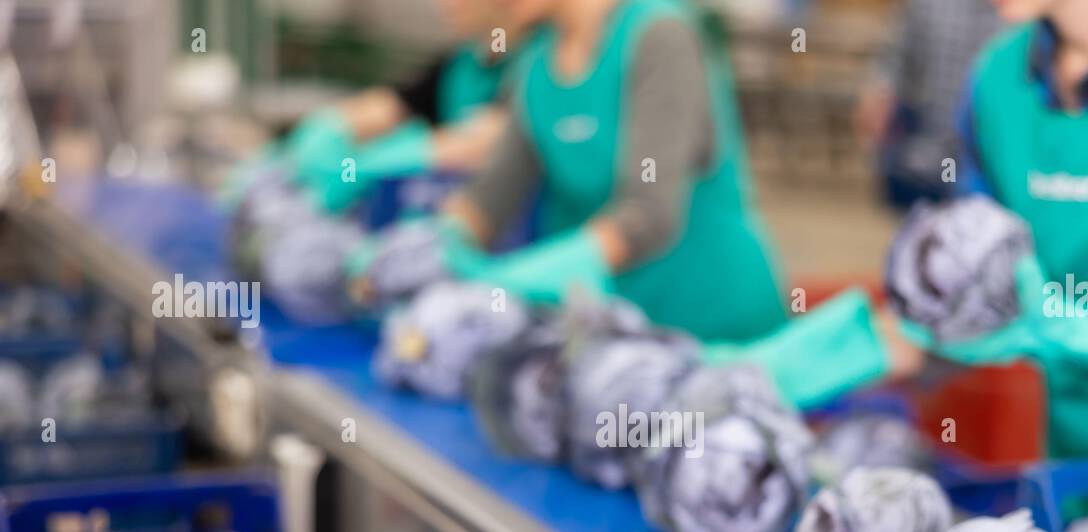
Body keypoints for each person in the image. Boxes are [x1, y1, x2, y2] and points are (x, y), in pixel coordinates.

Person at [713, 0, 1088, 459]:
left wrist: (1067, 324)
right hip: (1080, 481)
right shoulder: (997, 81)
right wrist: (776, 371)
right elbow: (958, 303)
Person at [439, 0, 789, 344]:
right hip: (617, 331)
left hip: (712, 326)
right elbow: (489, 200)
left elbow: (647, 215)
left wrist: (521, 279)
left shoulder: (659, 35)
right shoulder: (535, 66)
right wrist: (434, 246)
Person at [251, 0, 537, 214]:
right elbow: (383, 108)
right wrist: (322, 131)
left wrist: (373, 164)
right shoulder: (458, 64)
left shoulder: (536, 64)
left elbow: (487, 141)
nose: (446, 5)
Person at [856, 0, 1004, 208]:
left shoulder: (1021, 11)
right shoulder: (925, 5)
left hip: (991, 161)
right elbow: (895, 57)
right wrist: (880, 94)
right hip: (927, 154)